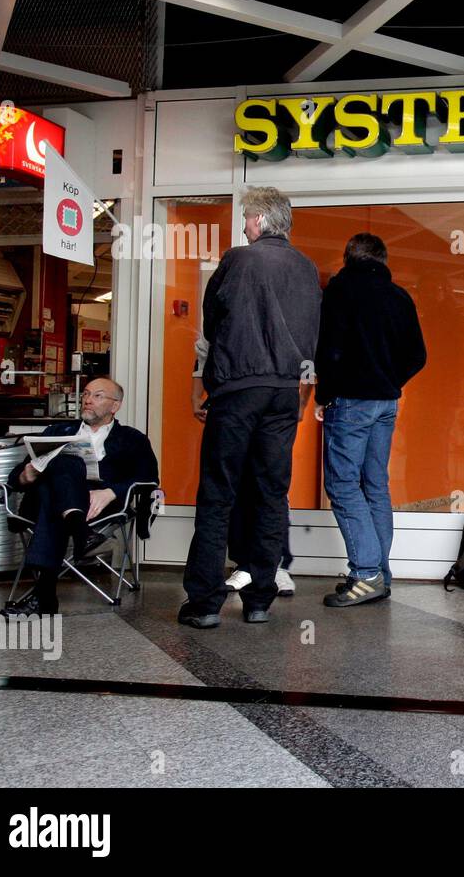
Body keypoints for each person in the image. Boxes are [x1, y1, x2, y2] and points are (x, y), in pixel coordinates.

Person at [180, 187, 321, 628]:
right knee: (270, 493)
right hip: (284, 393)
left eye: (246, 217)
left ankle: (204, 603)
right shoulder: (306, 267)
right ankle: (261, 596)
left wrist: (213, 383)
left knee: (219, 493)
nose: (243, 225)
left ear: (259, 219)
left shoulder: (238, 259)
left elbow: (213, 322)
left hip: (240, 388)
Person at [316, 232, 427, 607]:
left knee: (343, 484)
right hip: (386, 403)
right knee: (375, 485)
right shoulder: (399, 296)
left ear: (349, 257)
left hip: (350, 401)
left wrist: (324, 394)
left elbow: (328, 349)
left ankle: (365, 574)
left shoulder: (340, 290)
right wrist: (389, 381)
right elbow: (418, 355)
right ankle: (381, 574)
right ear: (382, 259)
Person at [1, 377, 158, 616]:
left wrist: (111, 491)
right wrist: (27, 474)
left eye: (97, 396)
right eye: (85, 394)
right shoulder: (58, 431)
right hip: (61, 504)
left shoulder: (132, 439)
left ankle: (45, 595)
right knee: (63, 466)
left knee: (51, 496)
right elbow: (16, 478)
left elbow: (149, 479)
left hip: (98, 504)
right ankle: (80, 531)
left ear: (115, 406)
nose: (87, 401)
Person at [192, 333, 303, 597]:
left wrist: (199, 397)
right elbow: (204, 351)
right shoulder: (293, 294)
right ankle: (254, 570)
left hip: (245, 393)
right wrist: (199, 397)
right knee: (259, 489)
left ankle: (266, 567)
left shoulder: (232, 294)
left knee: (245, 490)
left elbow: (205, 349)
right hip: (266, 393)